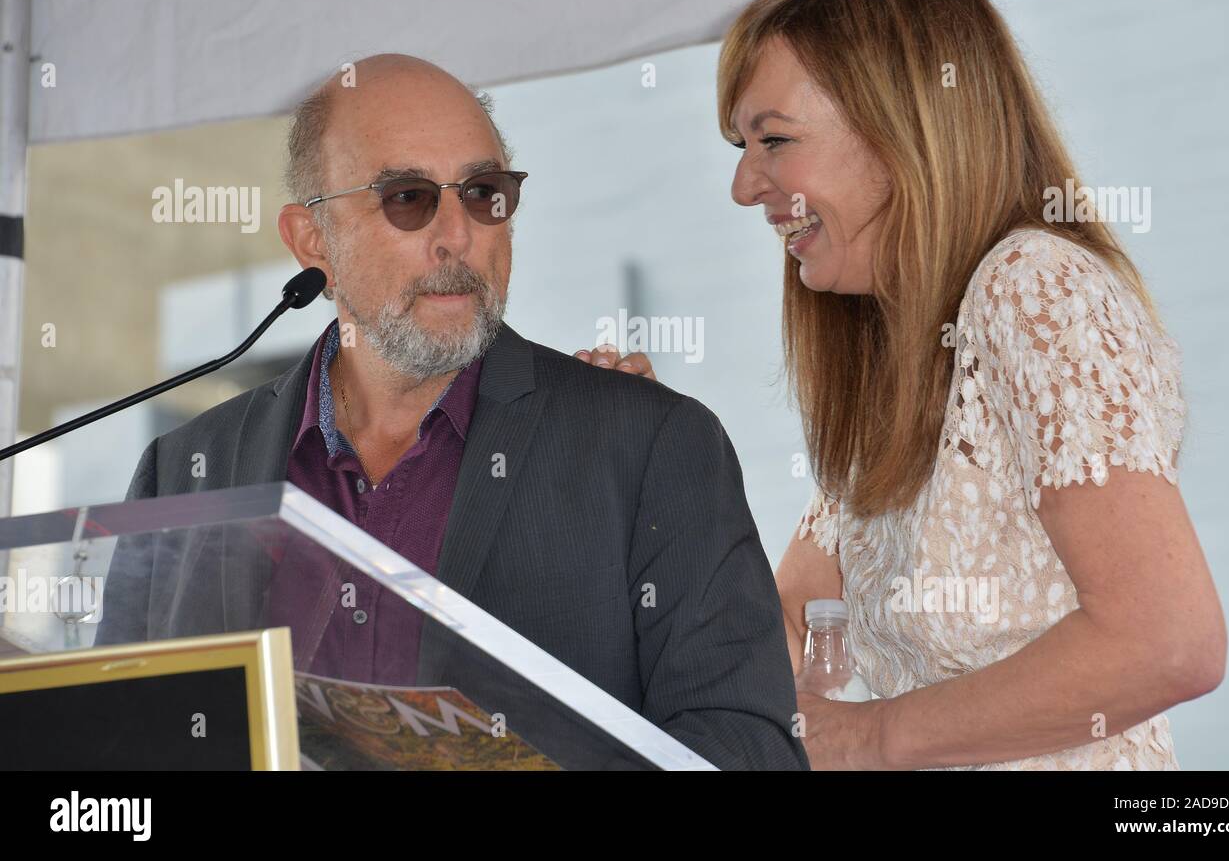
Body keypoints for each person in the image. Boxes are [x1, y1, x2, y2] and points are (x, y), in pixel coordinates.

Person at [580, 0, 1226, 770]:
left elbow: (1170, 640)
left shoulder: (1033, 287)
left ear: (901, 128)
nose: (745, 186)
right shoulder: (901, 350)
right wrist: (642, 467)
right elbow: (779, 635)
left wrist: (872, 737)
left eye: (773, 140)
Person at [98, 53, 808, 771]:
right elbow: (116, 748)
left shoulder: (649, 445)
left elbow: (749, 748)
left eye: (483, 193)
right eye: (407, 197)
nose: (458, 234)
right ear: (312, 239)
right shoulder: (186, 474)